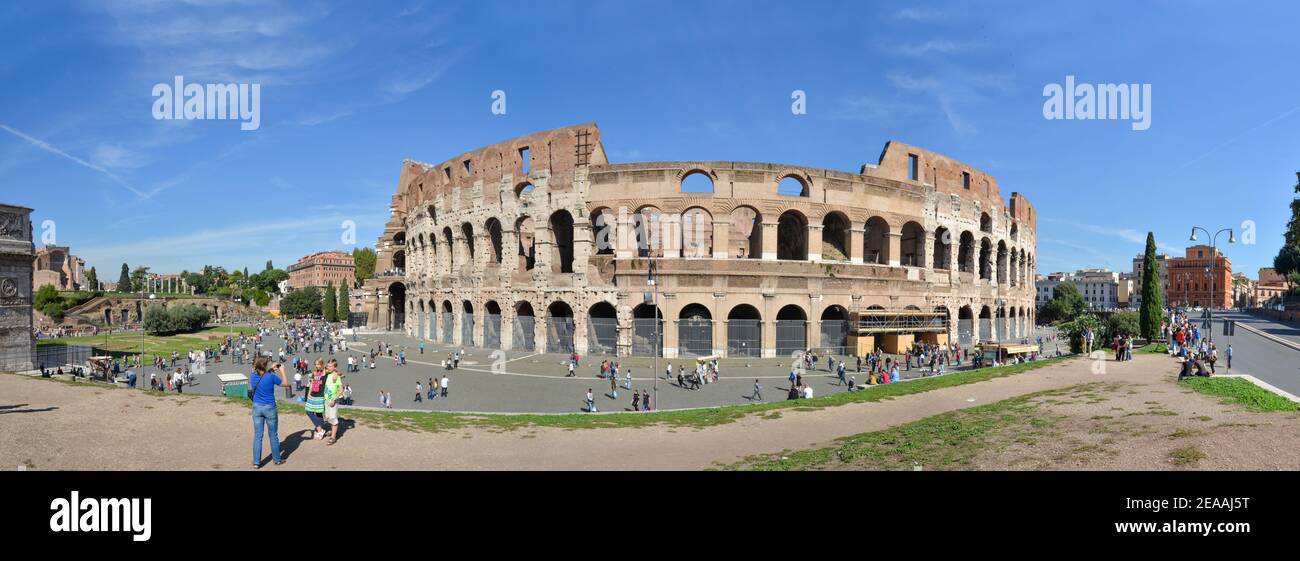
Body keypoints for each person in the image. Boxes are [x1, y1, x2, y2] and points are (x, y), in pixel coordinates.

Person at [248, 357, 289, 468]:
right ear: (265, 366)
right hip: (269, 407)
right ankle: (276, 460)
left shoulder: (252, 376)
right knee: (273, 435)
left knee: (258, 436)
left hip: (257, 407)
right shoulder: (271, 377)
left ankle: (256, 462)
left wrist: (270, 369)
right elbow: (285, 383)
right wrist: (282, 370)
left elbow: (261, 374)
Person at [305, 360, 328, 440]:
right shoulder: (314, 373)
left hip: (320, 395)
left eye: (318, 364)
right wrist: (308, 395)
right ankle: (320, 429)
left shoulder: (325, 372)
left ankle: (320, 430)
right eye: (315, 364)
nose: (317, 366)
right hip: (312, 395)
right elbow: (311, 384)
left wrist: (324, 367)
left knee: (318, 413)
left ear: (322, 364)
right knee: (308, 411)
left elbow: (338, 373)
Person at [323, 359, 344, 445]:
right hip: (326, 399)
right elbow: (323, 368)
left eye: (331, 366)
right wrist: (334, 371)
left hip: (332, 401)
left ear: (335, 367)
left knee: (333, 418)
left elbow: (341, 390)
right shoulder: (328, 374)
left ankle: (333, 437)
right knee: (328, 417)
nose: (328, 367)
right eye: (328, 366)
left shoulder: (336, 377)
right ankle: (332, 431)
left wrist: (334, 399)